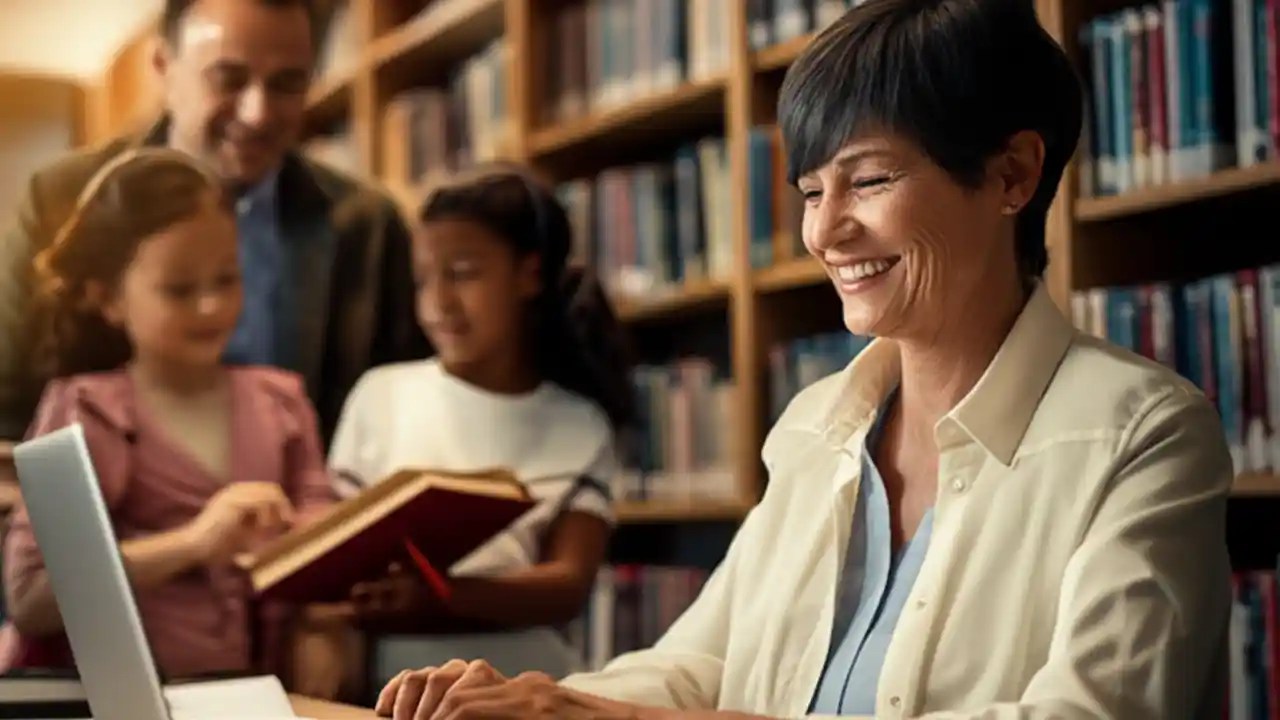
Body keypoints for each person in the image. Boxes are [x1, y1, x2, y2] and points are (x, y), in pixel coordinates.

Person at [371, 1, 1235, 718]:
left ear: (1012, 175)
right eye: (812, 191)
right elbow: (694, 669)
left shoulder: (1144, 435)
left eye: (868, 181)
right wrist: (532, 700)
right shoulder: (817, 425)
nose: (824, 232)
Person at [0, 0, 425, 449]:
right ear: (164, 68)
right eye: (229, 79)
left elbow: (404, 420)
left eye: (287, 84)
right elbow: (6, 409)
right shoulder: (59, 201)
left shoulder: (370, 228)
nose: (257, 113)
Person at [0, 148, 339, 685]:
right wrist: (195, 542)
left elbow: (326, 544)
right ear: (107, 299)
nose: (211, 307)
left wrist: (320, 616)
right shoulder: (86, 412)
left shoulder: (283, 403)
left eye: (227, 279)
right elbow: (32, 600)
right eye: (179, 290)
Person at [318, 165, 635, 695]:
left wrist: (443, 597)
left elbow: (567, 583)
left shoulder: (579, 424)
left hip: (531, 686)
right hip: (392, 688)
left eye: (463, 273)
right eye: (424, 280)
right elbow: (339, 552)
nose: (439, 301)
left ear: (529, 275)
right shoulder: (381, 396)